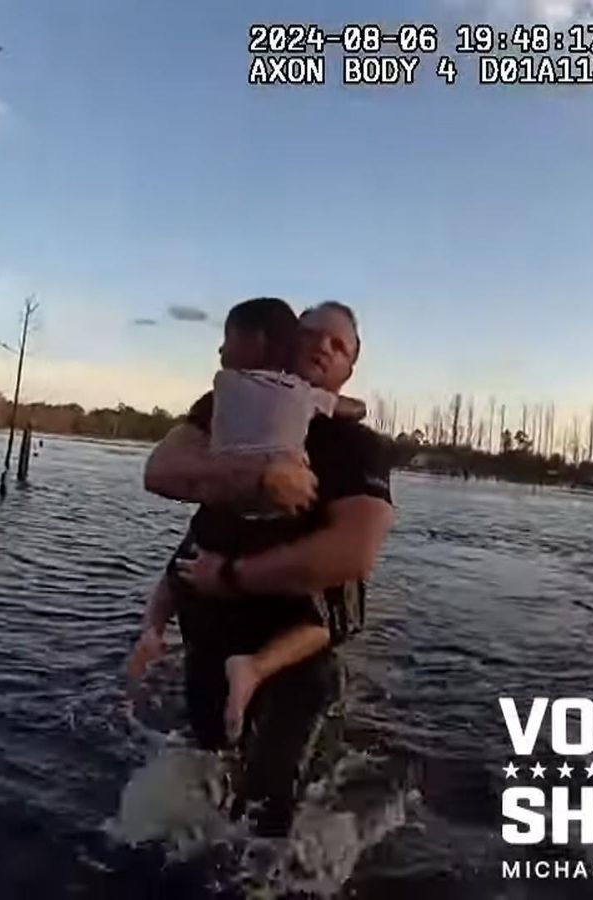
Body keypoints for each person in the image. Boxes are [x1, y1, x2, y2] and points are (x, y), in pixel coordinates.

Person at [131, 300, 396, 836]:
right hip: (209, 638)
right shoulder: (223, 404)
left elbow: (354, 553)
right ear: (287, 342)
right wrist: (259, 474)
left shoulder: (355, 444)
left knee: (267, 814)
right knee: (203, 776)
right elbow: (160, 470)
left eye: (339, 345)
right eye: (313, 334)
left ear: (350, 367)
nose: (323, 345)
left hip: (293, 650)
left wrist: (229, 575)